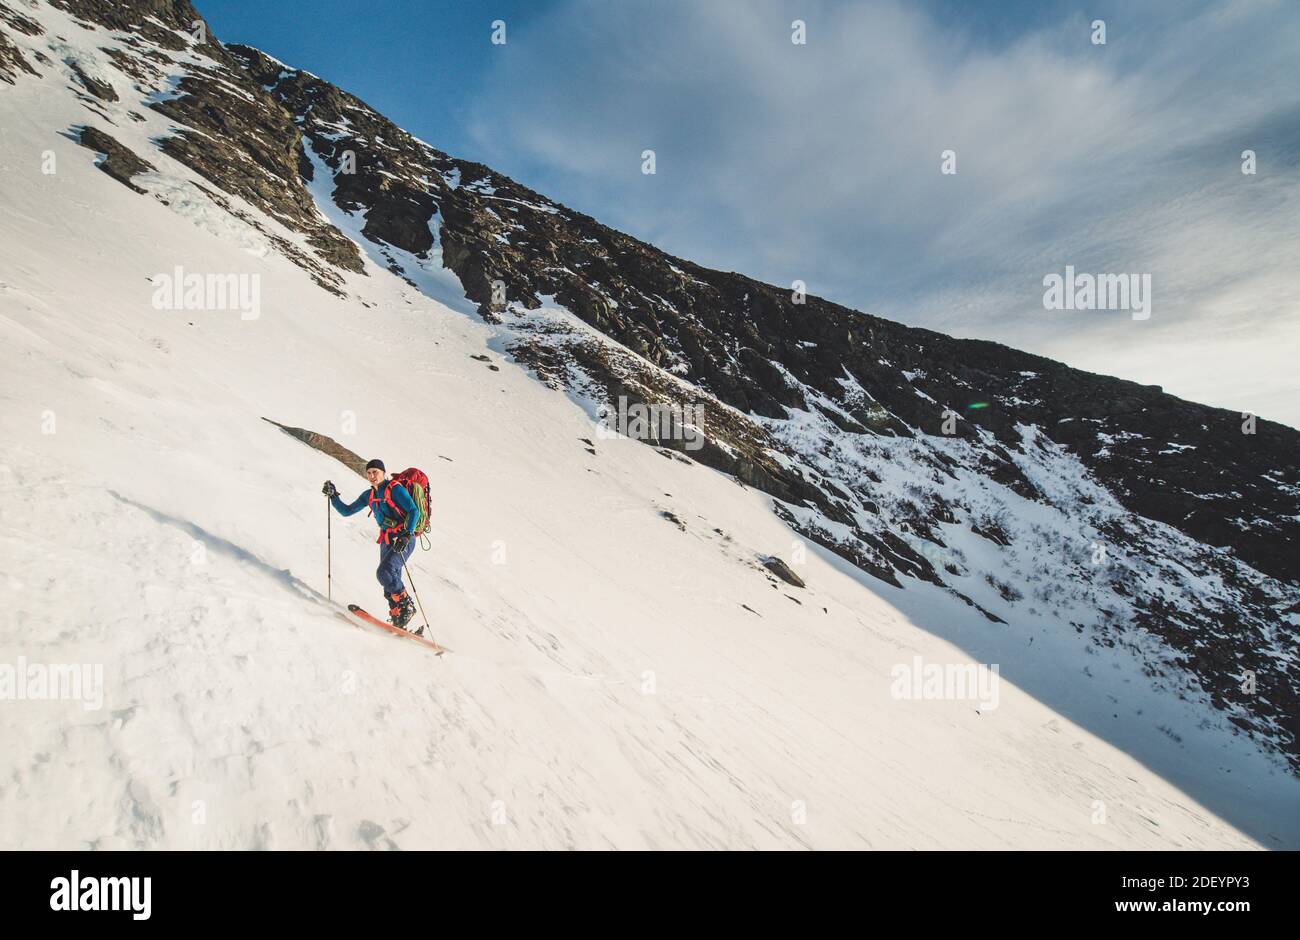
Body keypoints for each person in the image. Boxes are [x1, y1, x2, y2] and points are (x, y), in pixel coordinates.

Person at [322, 459, 419, 628]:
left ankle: (407, 605)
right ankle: (398, 616)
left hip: (404, 538)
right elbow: (346, 511)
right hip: (388, 539)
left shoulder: (395, 489)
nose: (372, 476)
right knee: (390, 577)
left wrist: (406, 534)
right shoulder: (370, 495)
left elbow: (413, 510)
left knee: (385, 572)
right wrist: (333, 496)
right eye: (369, 473)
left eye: (376, 472)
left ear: (383, 472)